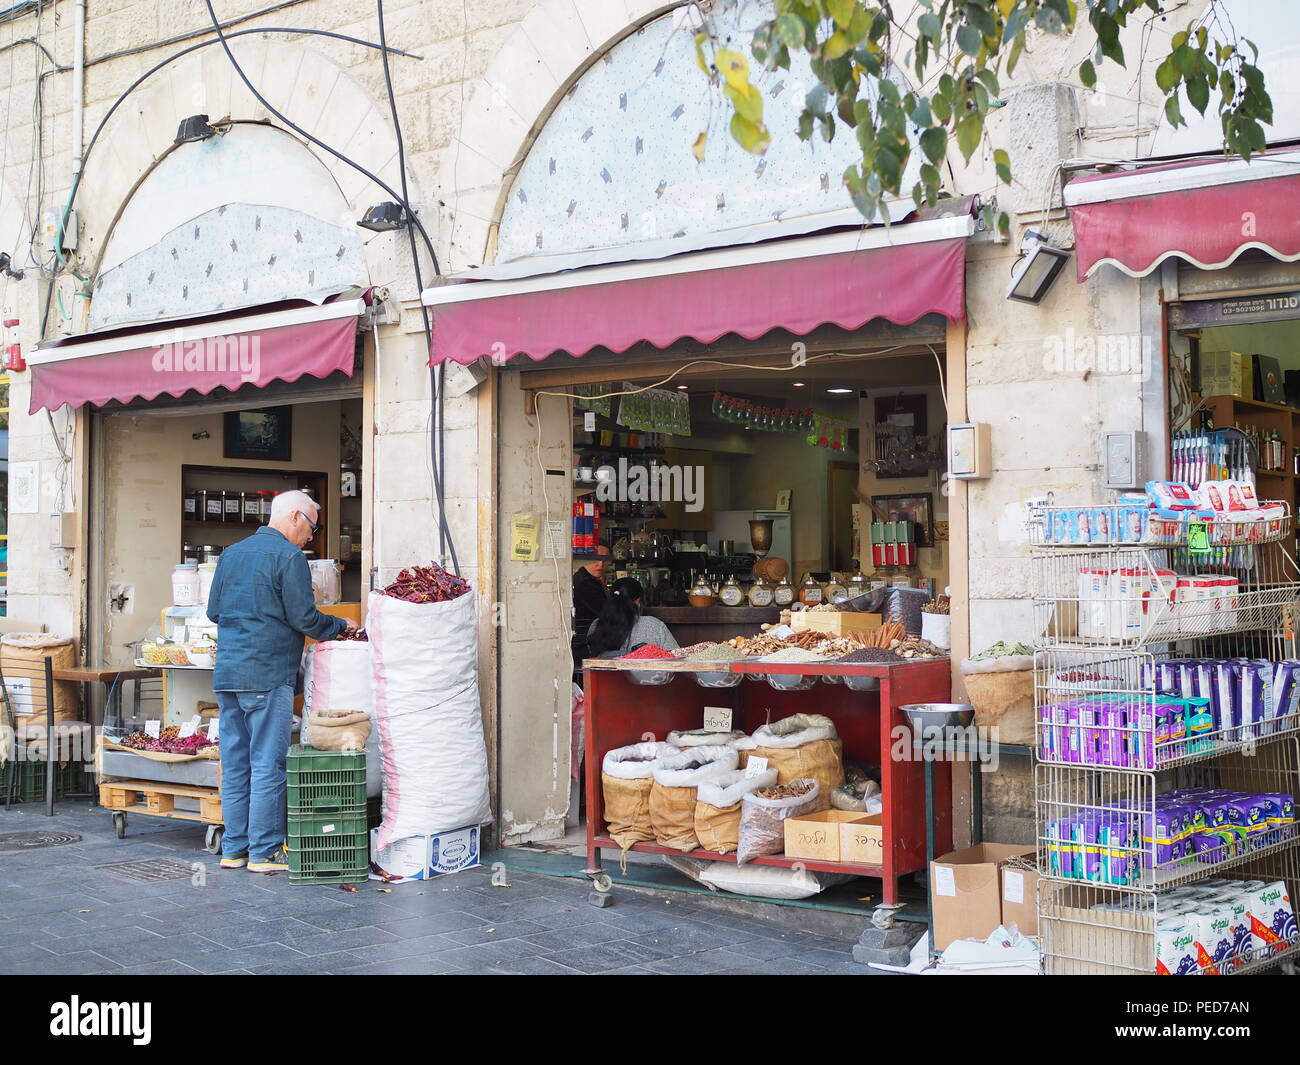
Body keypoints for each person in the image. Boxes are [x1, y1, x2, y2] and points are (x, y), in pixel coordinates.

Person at [205, 489, 356, 873]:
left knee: (236, 764)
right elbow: (305, 619)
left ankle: (234, 850)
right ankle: (265, 852)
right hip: (268, 674)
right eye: (311, 527)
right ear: (293, 517)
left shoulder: (231, 554)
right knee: (267, 765)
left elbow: (213, 612)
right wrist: (341, 626)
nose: (311, 536)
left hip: (228, 675)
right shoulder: (289, 557)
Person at [587, 576, 679, 657]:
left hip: (603, 677)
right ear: (638, 601)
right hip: (645, 677)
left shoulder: (596, 624)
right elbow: (676, 658)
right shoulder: (654, 625)